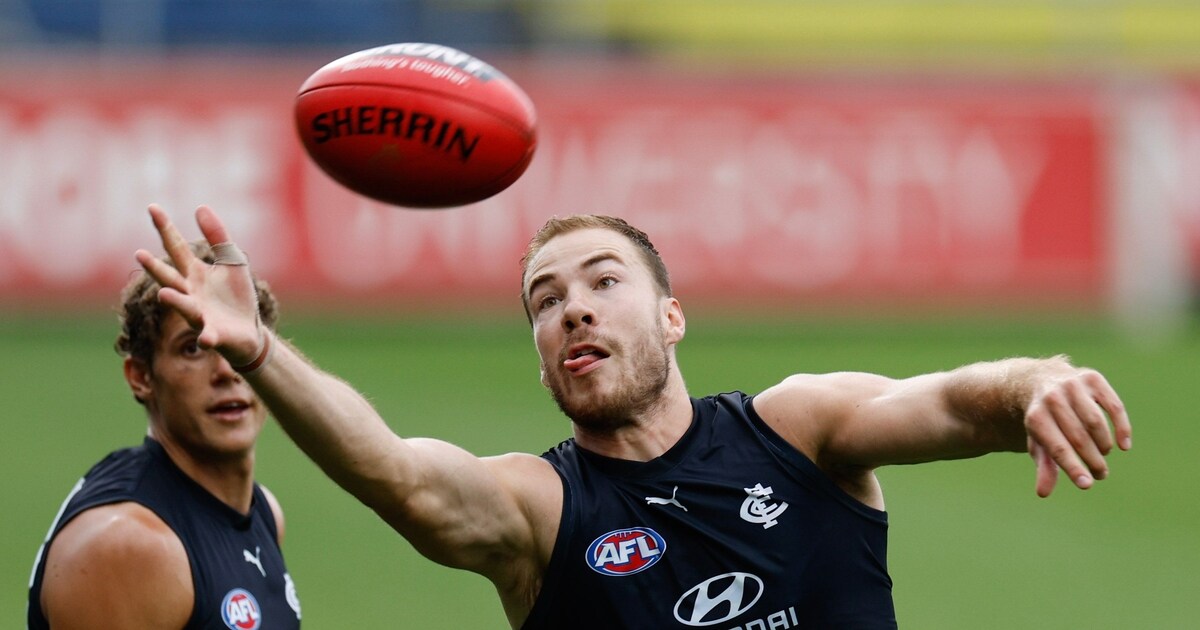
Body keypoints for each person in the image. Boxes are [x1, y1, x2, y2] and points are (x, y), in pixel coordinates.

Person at [134, 204, 1131, 629]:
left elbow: (957, 403)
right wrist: (260, 353)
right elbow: (394, 473)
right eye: (543, 299)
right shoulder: (540, 513)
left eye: (603, 280)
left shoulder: (800, 431)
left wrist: (1035, 382)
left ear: (669, 313)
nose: (571, 305)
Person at [27, 239, 302, 630]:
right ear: (141, 377)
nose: (228, 370)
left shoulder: (264, 513)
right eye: (193, 348)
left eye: (241, 340)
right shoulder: (127, 548)